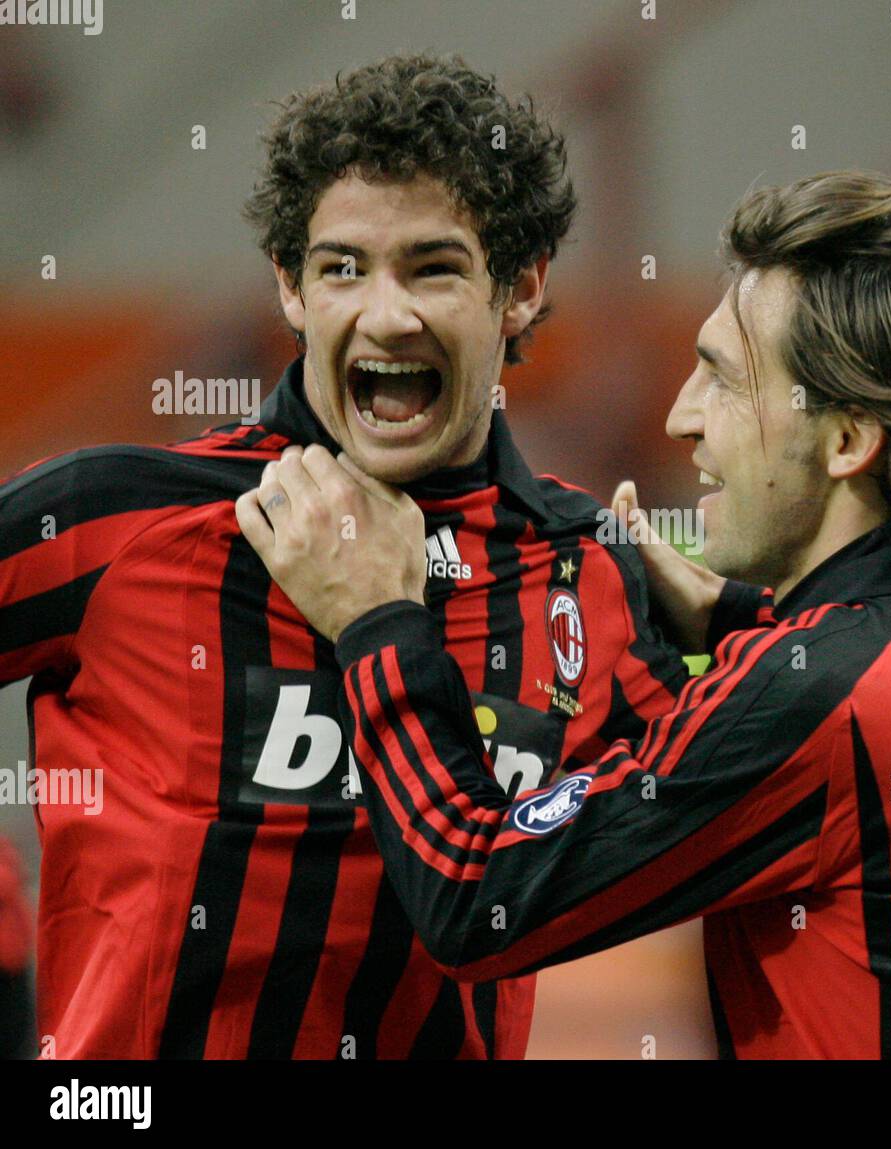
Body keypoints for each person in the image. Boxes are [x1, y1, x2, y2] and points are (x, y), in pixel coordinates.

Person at [241, 171, 891, 1058]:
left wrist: (377, 622)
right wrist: (746, 631)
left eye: (723, 380)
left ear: (848, 439)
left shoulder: (827, 698)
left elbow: (477, 899)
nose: (681, 415)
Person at [0, 53, 685, 1059]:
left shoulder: (597, 574)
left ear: (523, 289)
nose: (385, 312)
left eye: (435, 267)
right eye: (341, 268)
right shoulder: (108, 521)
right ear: (289, 287)